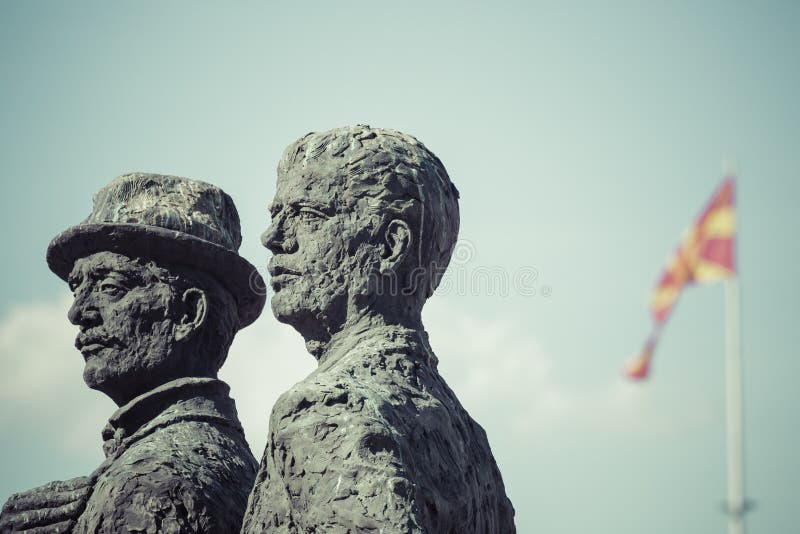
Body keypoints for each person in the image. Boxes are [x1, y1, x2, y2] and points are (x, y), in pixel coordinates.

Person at [242, 126, 516, 533]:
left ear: (390, 247)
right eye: (276, 215)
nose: (273, 238)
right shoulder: (469, 439)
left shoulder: (327, 410)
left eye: (307, 216)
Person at [0, 173, 265, 534]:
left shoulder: (155, 484)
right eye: (77, 290)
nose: (78, 313)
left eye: (110, 287)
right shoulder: (222, 462)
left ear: (188, 313)